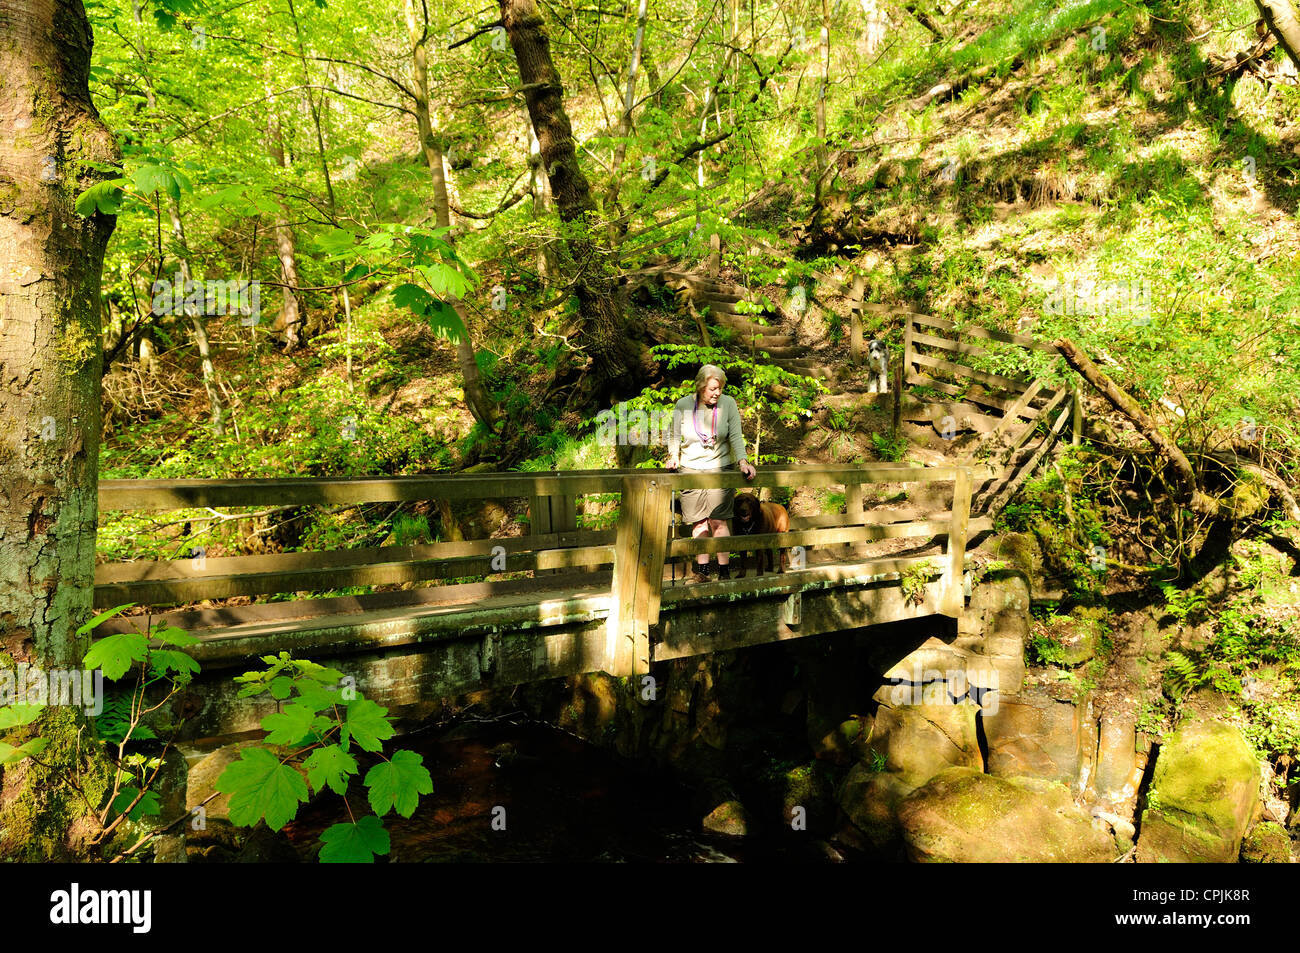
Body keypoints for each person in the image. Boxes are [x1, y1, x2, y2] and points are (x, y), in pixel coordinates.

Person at [665, 364, 756, 582]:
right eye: (712, 389)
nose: (717, 393)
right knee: (698, 523)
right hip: (691, 468)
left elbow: (735, 436)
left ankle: (724, 570)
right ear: (700, 387)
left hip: (720, 468)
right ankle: (703, 571)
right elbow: (674, 434)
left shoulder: (728, 404)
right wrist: (673, 455)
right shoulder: (684, 405)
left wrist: (743, 461)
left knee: (718, 521)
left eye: (719, 389)